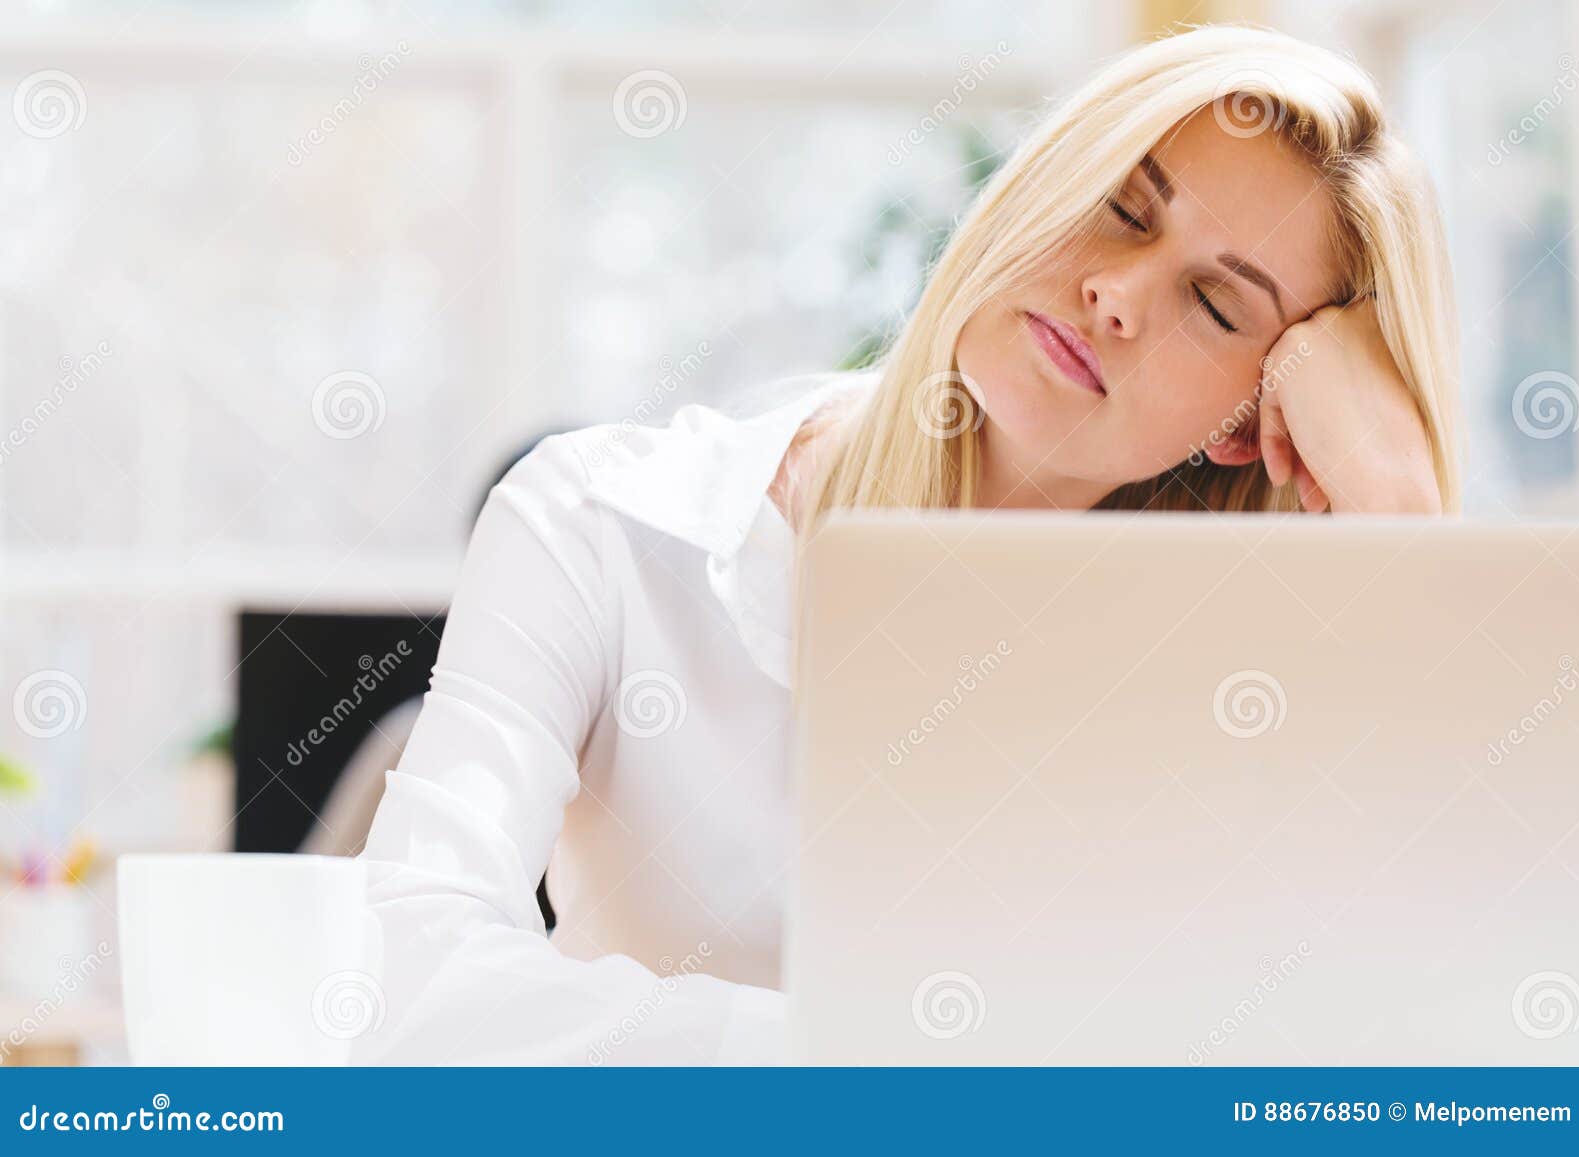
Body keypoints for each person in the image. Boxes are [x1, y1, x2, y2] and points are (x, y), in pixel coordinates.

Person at [356, 24, 1459, 1064]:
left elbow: (1399, 1031)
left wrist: (1400, 511)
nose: (1117, 295)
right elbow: (413, 984)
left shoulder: (1226, 672)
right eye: (1122, 208)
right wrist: (890, 1065)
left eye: (1215, 307)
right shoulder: (601, 526)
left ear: (1247, 420)